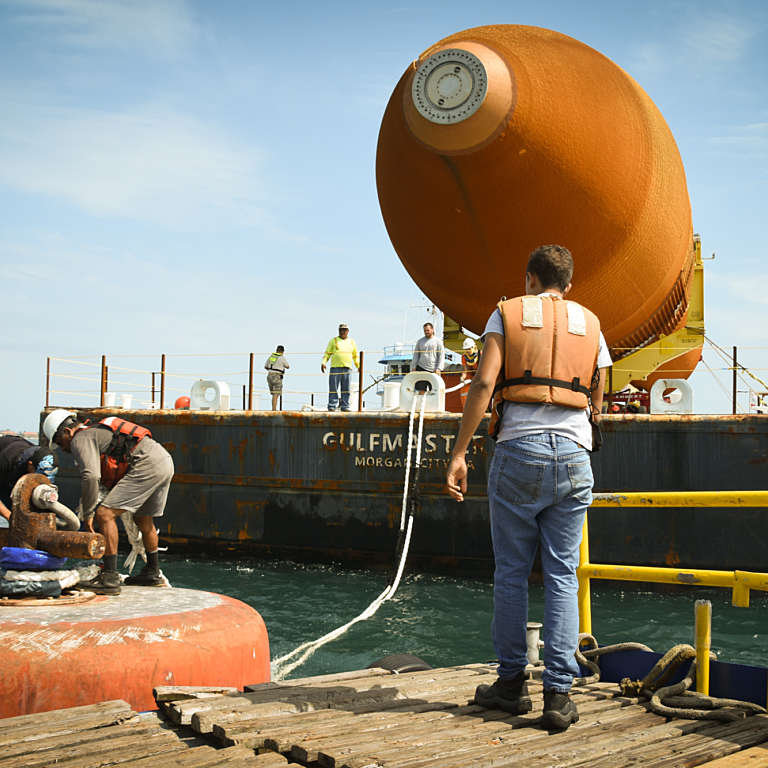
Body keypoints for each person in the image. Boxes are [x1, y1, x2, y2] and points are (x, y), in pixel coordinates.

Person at [445, 244, 612, 731]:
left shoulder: (507, 314)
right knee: (562, 575)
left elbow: (483, 383)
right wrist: (588, 417)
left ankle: (511, 684)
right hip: (576, 456)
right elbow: (599, 384)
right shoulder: (592, 323)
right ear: (569, 284)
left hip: (520, 450)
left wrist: (459, 454)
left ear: (530, 279)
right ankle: (559, 695)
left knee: (513, 573)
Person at [42, 409, 174, 595]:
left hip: (146, 462)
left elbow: (91, 475)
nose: (62, 448)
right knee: (144, 519)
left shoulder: (80, 438)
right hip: (164, 460)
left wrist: (88, 514)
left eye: (58, 442)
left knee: (104, 514)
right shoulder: (95, 432)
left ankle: (110, 577)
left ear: (67, 432)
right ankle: (152, 572)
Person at [0, 435, 58, 524]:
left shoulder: (45, 460)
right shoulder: (6, 461)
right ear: (30, 465)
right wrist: (9, 516)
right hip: (5, 470)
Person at [321, 324, 360, 412]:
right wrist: (324, 363)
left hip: (347, 368)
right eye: (341, 330)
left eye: (345, 330)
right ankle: (332, 405)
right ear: (338, 331)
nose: (343, 332)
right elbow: (327, 353)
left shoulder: (351, 342)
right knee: (333, 388)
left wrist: (359, 366)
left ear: (348, 331)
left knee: (346, 388)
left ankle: (345, 406)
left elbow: (355, 356)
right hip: (335, 367)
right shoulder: (333, 341)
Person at [264, 345, 290, 411]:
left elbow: (266, 366)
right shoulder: (281, 357)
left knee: (273, 393)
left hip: (269, 376)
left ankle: (273, 408)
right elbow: (287, 366)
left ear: (276, 350)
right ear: (282, 351)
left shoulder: (272, 357)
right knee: (276, 393)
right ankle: (274, 409)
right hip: (277, 376)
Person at [459, 337, 479, 410]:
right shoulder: (464, 357)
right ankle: (466, 410)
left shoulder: (481, 354)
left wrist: (477, 378)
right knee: (464, 390)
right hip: (471, 376)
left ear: (474, 347)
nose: (467, 350)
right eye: (466, 349)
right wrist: (462, 377)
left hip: (481, 375)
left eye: (469, 349)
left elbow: (485, 369)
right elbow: (465, 371)